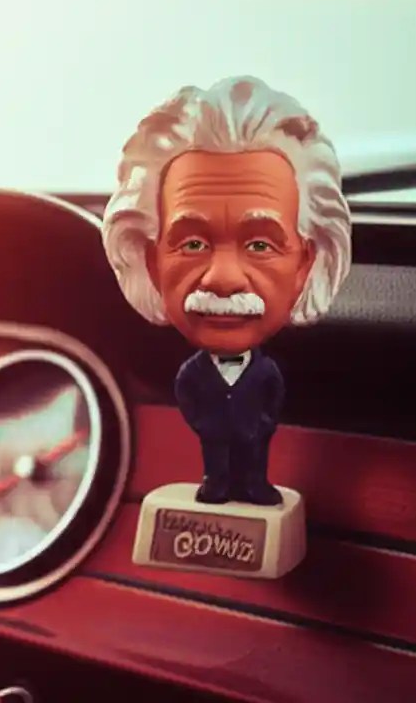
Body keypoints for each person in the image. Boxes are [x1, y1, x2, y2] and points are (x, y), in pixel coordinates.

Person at [100, 76, 352, 505]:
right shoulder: (194, 375)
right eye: (192, 243)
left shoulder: (266, 374)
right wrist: (206, 424)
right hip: (213, 438)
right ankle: (216, 484)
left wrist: (262, 424)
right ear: (151, 261)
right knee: (217, 466)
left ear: (304, 264)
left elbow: (270, 397)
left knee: (252, 464)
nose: (223, 277)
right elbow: (188, 394)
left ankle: (253, 483)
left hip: (254, 437)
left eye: (260, 244)